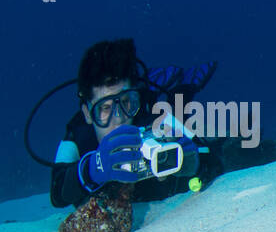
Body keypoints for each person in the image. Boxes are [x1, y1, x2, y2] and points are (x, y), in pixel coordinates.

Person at [51, 38, 222, 209]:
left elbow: (214, 162)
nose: (118, 119)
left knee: (178, 107)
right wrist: (92, 169)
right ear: (87, 114)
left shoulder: (154, 118)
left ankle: (184, 88)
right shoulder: (78, 133)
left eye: (126, 102)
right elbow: (57, 193)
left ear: (136, 99)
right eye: (104, 107)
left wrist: (196, 164)